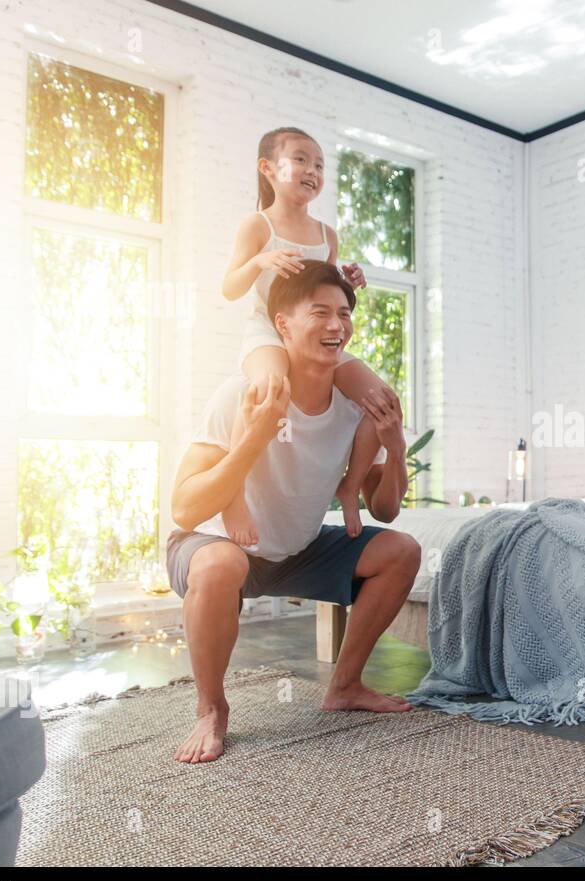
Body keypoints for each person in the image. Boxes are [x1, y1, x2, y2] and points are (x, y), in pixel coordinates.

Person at [166, 261, 420, 764]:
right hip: (216, 547)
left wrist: (395, 446)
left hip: (296, 551)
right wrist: (253, 439)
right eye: (320, 312)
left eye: (344, 313)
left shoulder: (353, 411)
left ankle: (345, 686)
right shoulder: (240, 394)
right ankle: (212, 708)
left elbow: (386, 510)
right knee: (222, 564)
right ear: (282, 325)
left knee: (401, 551)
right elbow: (184, 507)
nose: (336, 325)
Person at [219, 125, 394, 545]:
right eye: (299, 159)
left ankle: (349, 489)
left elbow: (330, 295)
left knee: (381, 398)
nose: (312, 170)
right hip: (268, 328)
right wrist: (261, 260)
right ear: (267, 168)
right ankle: (233, 496)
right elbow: (230, 287)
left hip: (312, 336)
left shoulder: (325, 234)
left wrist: (349, 279)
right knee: (268, 387)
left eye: (318, 164)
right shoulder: (257, 225)